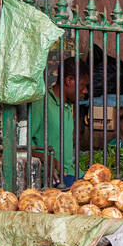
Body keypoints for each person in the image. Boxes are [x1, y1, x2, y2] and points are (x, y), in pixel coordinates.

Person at [29, 55, 85, 184]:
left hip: (71, 173)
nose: (85, 91)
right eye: (83, 86)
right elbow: (20, 146)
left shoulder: (68, 106)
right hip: (53, 178)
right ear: (69, 80)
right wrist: (44, 157)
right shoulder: (41, 103)